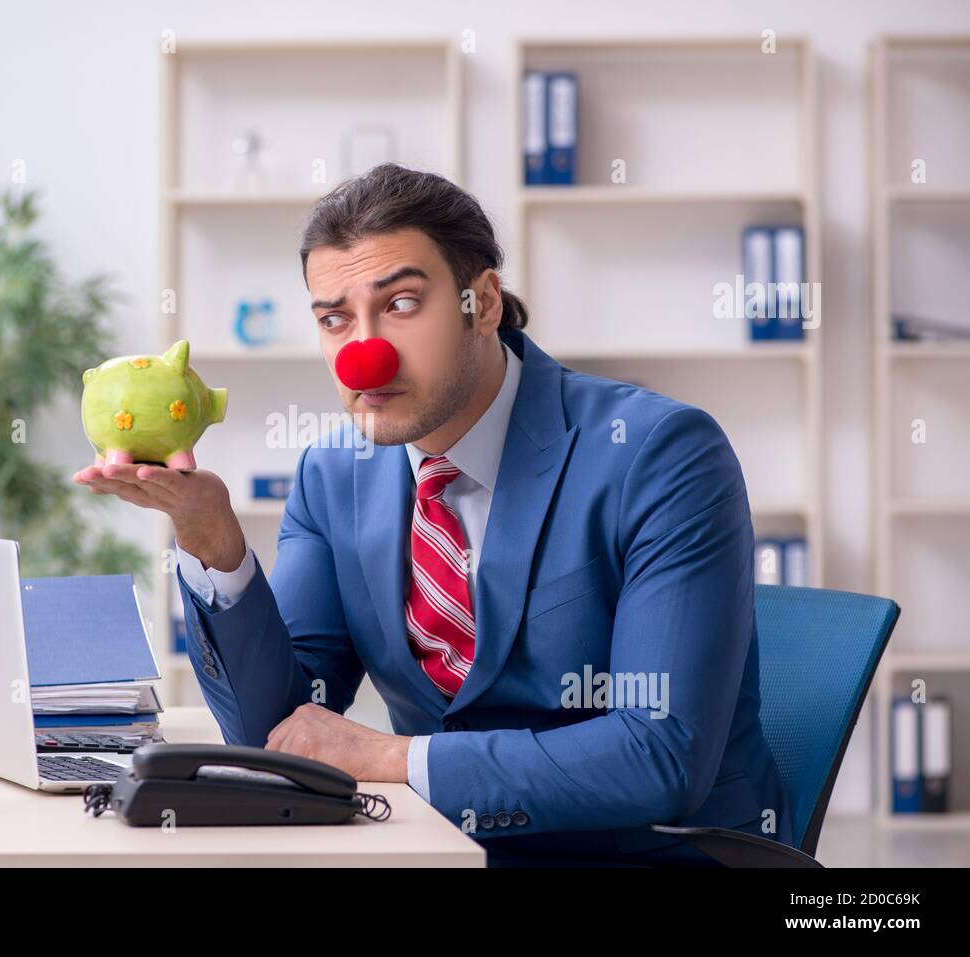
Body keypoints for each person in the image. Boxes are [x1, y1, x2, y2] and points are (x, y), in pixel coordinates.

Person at [74, 163, 792, 867]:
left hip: (654, 856)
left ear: (482, 302)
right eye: (335, 318)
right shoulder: (332, 477)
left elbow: (658, 755)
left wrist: (390, 755)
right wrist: (213, 541)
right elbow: (280, 730)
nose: (364, 355)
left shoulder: (658, 453)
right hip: (440, 850)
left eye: (401, 304)